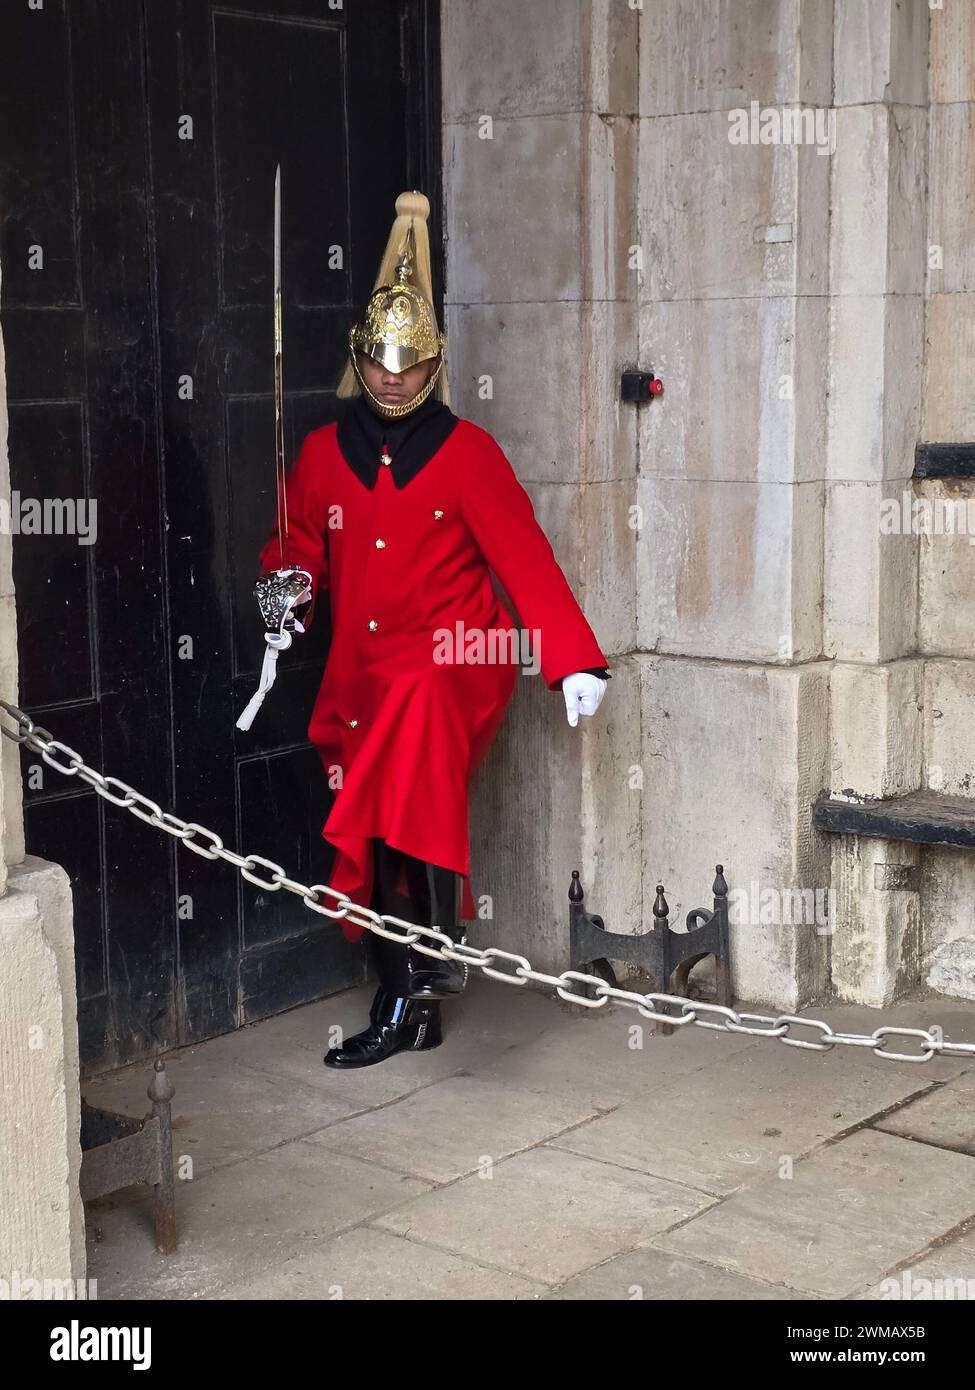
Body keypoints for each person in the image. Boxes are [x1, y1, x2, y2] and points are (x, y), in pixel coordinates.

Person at [257, 190, 609, 1069]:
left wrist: (570, 658)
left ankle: (427, 963)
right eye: (378, 361)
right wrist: (282, 592)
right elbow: (298, 549)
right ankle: (411, 993)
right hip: (360, 666)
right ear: (359, 359)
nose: (391, 377)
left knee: (408, 741)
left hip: (456, 653)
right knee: (371, 815)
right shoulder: (319, 454)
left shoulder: (469, 453)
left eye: (408, 364)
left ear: (434, 365)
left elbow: (524, 561)